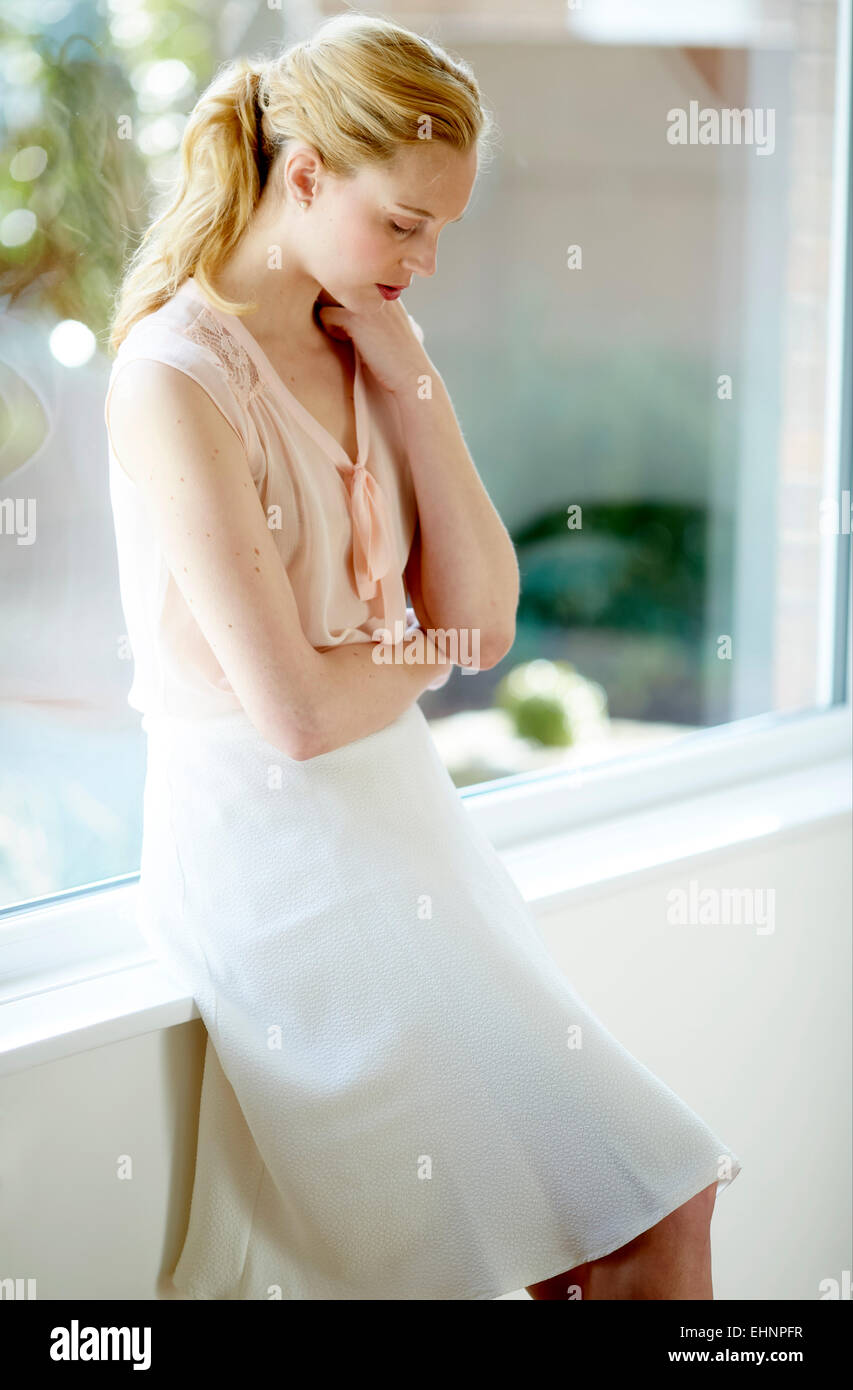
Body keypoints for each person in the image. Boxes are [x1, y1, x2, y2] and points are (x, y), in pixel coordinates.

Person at [103, 11, 741, 1301]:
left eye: (442, 228)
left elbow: (487, 617)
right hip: (274, 860)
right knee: (630, 1215)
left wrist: (414, 385)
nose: (428, 259)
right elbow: (290, 715)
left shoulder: (368, 339)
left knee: (632, 1218)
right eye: (403, 223)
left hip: (409, 830)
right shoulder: (174, 376)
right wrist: (418, 653)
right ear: (306, 177)